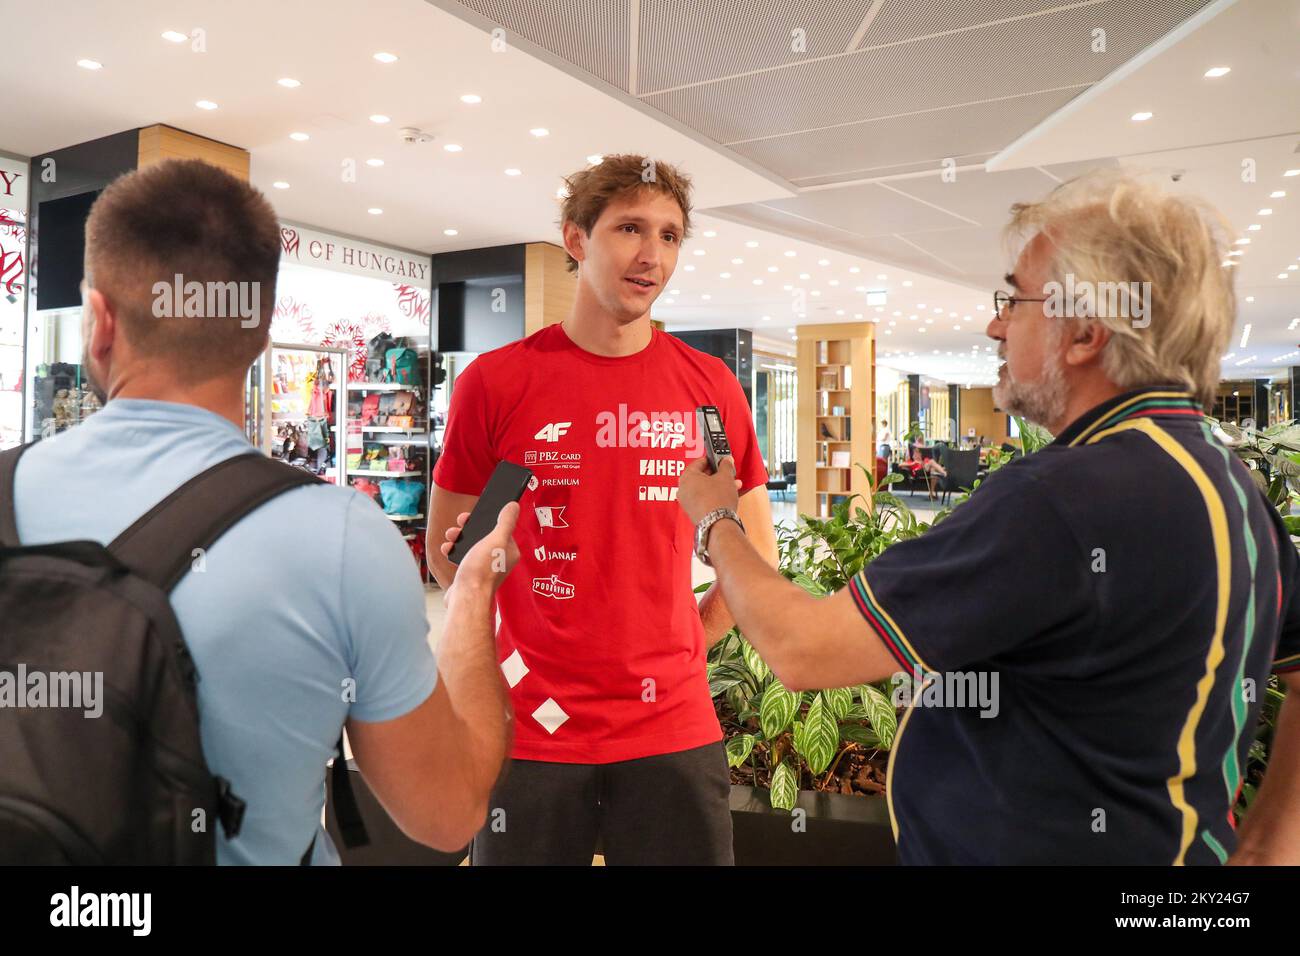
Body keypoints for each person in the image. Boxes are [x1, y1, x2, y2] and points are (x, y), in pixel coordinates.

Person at [679, 170, 1300, 865]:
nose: (994, 324)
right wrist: (1267, 849)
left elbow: (803, 650)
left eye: (1015, 298)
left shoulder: (1060, 499)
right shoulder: (1229, 481)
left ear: (1085, 332)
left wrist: (717, 523)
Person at [9, 159, 512, 864]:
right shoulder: (340, 537)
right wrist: (471, 594)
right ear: (262, 331)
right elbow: (448, 813)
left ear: (99, 321)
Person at [428, 154, 778, 865]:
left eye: (671, 235)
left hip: (672, 728)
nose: (652, 255)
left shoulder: (710, 389)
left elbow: (756, 554)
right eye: (629, 228)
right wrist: (483, 566)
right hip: (528, 726)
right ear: (577, 239)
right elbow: (446, 560)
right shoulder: (497, 384)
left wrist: (686, 641)